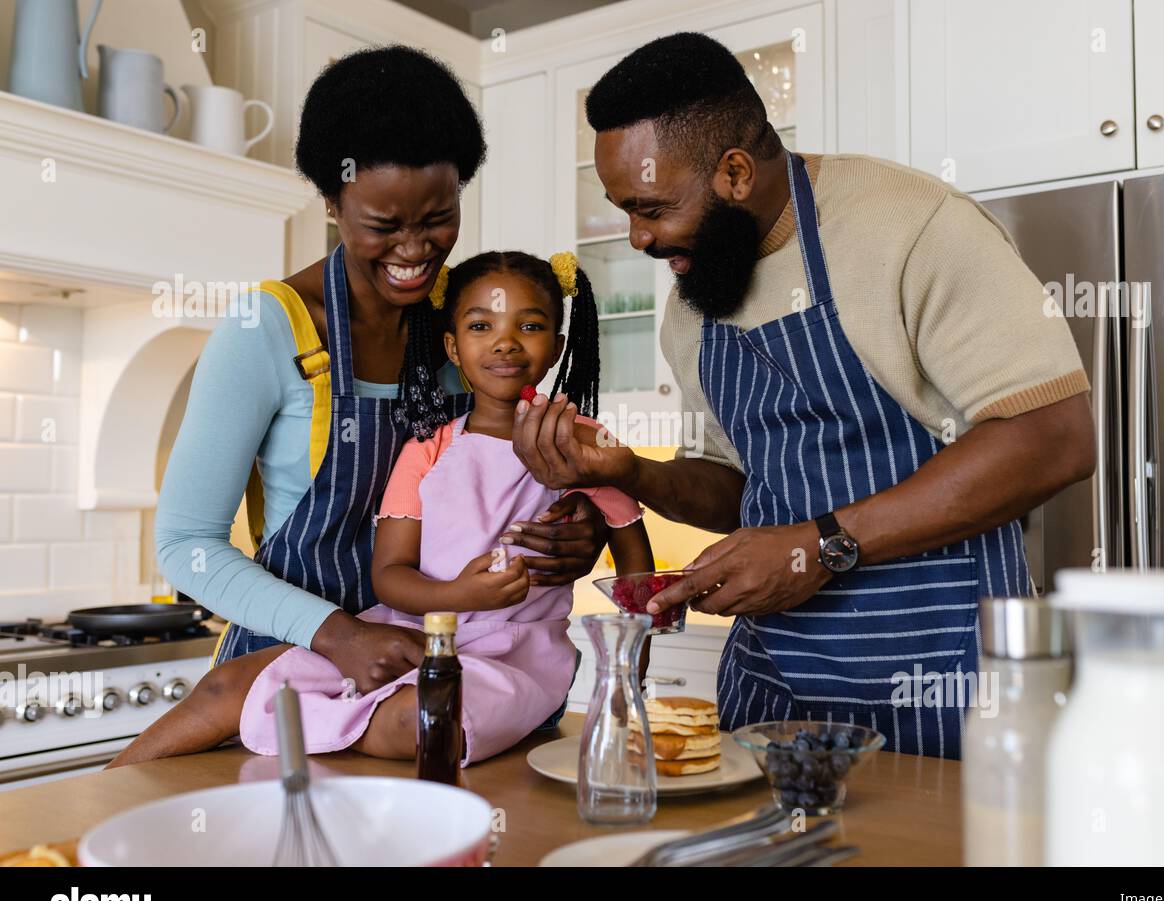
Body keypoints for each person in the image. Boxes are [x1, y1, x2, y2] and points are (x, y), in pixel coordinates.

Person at [511, 33, 1096, 758]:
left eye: (653, 208)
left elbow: (1054, 437)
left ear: (733, 172)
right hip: (774, 686)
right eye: (624, 210)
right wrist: (629, 471)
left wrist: (821, 547)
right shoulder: (694, 305)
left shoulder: (910, 226)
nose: (636, 237)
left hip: (946, 681)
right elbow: (736, 488)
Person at [147, 46, 608, 704]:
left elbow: (507, 480)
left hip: (436, 663)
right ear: (332, 202)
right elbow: (186, 546)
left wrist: (574, 532)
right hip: (291, 667)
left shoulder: (463, 328)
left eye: (438, 218)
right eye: (384, 225)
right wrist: (338, 634)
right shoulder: (270, 330)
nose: (415, 250)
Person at [110, 251, 652, 767]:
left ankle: (317, 729)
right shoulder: (427, 448)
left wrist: (629, 659)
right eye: (482, 327)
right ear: (453, 345)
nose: (505, 345)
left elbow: (631, 548)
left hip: (511, 654)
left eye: (528, 328)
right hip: (391, 632)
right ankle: (77, 825)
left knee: (419, 723)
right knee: (229, 686)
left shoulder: (581, 442)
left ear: (556, 346)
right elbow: (388, 574)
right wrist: (454, 597)